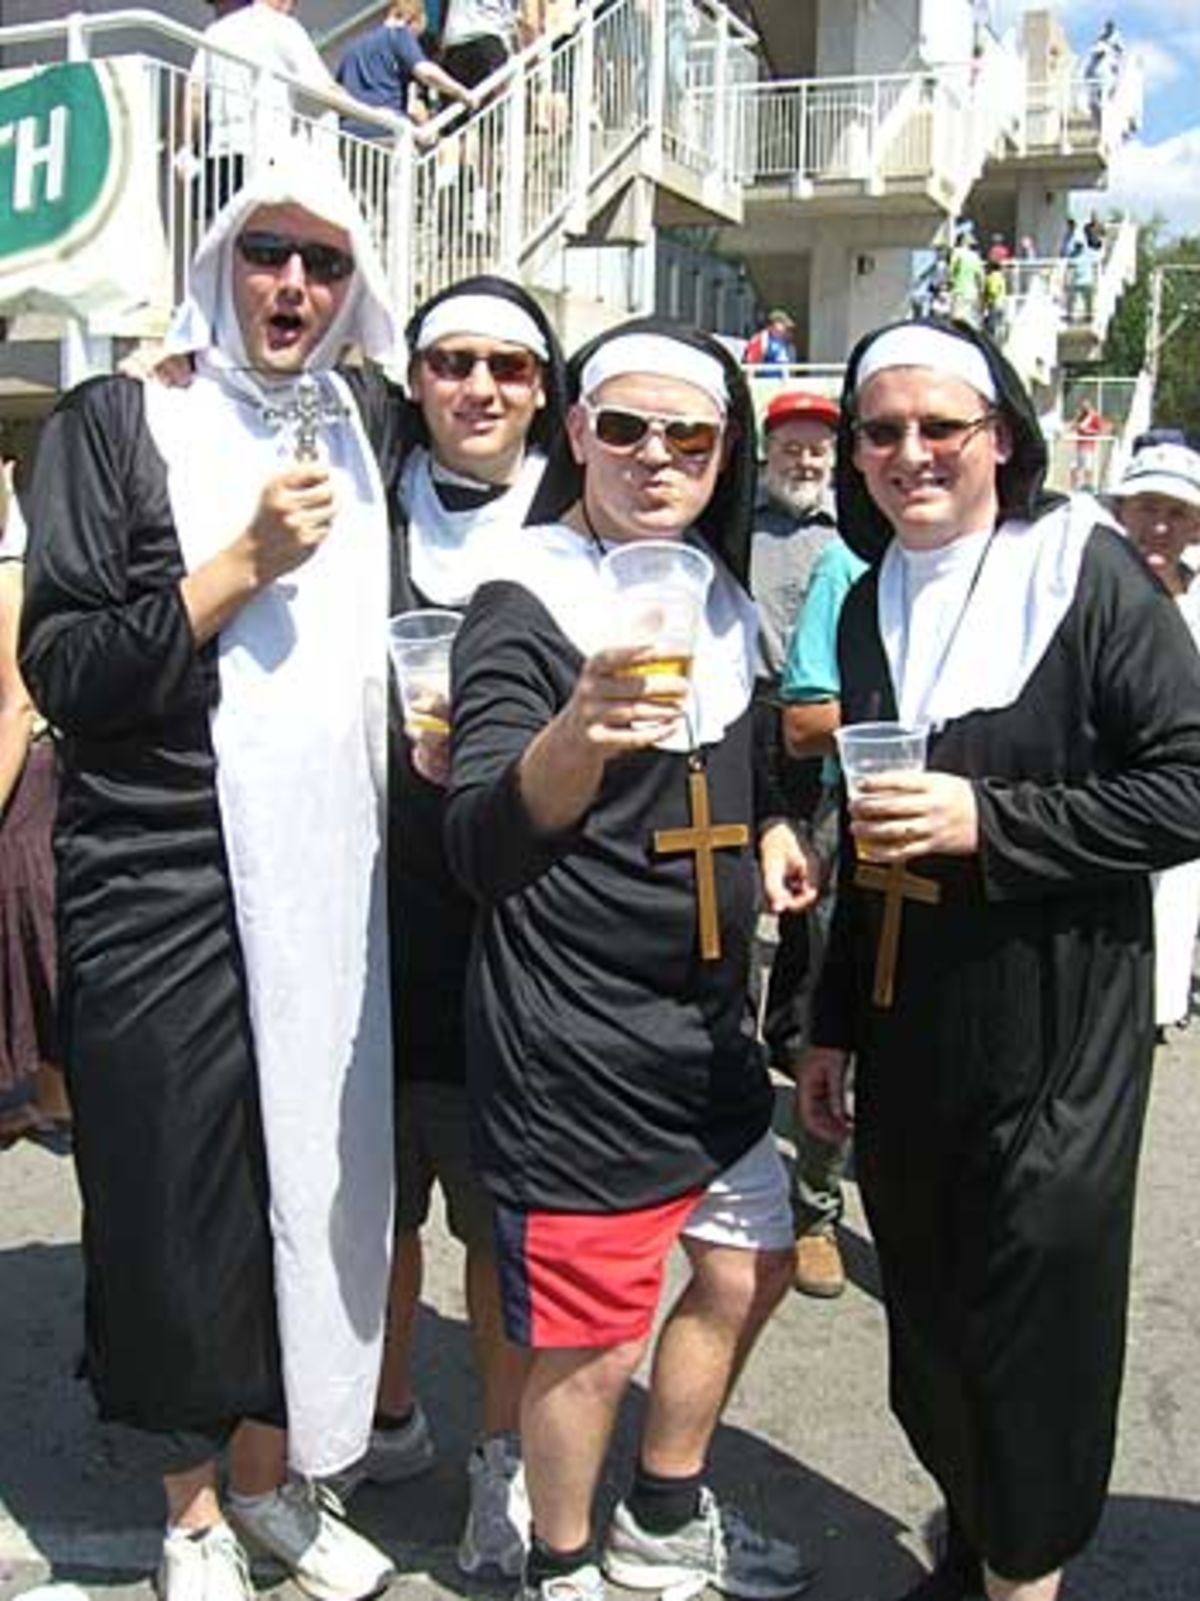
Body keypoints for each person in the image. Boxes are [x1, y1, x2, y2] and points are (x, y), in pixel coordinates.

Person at [20, 156, 401, 1601]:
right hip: (159, 863)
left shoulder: (366, 422)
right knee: (170, 1190)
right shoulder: (116, 422)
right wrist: (234, 565)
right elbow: (67, 664)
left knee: (308, 1176)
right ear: (216, 264)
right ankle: (190, 1516)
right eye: (266, 253)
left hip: (330, 866)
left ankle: (269, 1479)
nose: (293, 284)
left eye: (324, 261)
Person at [798, 319, 1200, 1601]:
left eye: (941, 427)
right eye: (882, 431)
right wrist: (831, 1021)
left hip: (1060, 1013)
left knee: (1035, 1319)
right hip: (911, 1013)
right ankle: (975, 1539)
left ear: (1002, 438)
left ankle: (1027, 1571)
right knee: (928, 1310)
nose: (910, 453)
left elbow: (1189, 783)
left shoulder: (1084, 569)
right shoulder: (867, 600)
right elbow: (868, 841)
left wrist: (995, 821)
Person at [445, 319, 818, 1601]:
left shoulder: (717, 595)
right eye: (624, 427)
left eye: (690, 435)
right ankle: (562, 1565)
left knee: (751, 1263)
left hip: (707, 1031)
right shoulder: (523, 599)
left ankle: (661, 1513)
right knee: (592, 1339)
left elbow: (750, 763)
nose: (656, 455)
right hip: (578, 1040)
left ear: (724, 453)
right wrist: (578, 730)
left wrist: (772, 828)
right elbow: (480, 841)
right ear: (577, 434)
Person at [345, 277, 568, 1583]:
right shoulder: (366, 502)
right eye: (450, 362)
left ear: (544, 389)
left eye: (507, 366)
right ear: (415, 379)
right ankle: (380, 1418)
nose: (478, 387)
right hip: (369, 919)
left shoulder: (577, 516)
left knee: (501, 1230)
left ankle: (501, 1453)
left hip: (513, 932)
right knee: (371, 1209)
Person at [745, 389, 845, 1297]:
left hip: (825, 731)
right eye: (793, 446)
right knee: (730, 896)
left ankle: (792, 1041)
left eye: (819, 448)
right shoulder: (736, 521)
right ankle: (730, 1066)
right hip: (748, 708)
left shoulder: (854, 537)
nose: (806, 461)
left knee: (812, 905)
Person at [775, 524, 869, 1301]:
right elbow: (803, 725)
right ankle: (816, 1208)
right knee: (838, 1015)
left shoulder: (997, 561)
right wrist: (907, 713)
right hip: (861, 815)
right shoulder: (846, 567)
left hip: (972, 814)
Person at [1110, 439, 1200, 1031]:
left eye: (1178, 512)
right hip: (1108, 793)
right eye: (1147, 507)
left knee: (1171, 916)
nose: (1160, 526)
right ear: (1121, 510)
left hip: (1183, 794)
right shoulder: (1091, 588)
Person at [0, 461, 67, 1151]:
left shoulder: (7, 577)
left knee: (32, 931)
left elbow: (16, 707)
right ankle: (42, 1099)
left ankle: (64, 1099)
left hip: (23, 781)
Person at [188, 0, 347, 215]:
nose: (293, 7)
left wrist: (186, 149)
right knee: (266, 227)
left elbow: (194, 96)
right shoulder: (285, 27)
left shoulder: (216, 31)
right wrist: (361, 109)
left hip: (220, 150)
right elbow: (323, 89)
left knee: (227, 228)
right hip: (267, 153)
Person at [335, 2, 475, 138]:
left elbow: (338, 91)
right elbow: (426, 72)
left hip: (350, 139)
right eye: (418, 32)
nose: (415, 41)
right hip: (387, 131)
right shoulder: (398, 34)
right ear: (413, 20)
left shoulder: (352, 49)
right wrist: (462, 93)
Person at [439, 0, 535, 90]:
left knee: (460, 98)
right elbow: (528, 22)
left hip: (454, 43)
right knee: (491, 97)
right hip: (488, 39)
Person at [744, 309, 797, 377]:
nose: (785, 328)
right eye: (783, 324)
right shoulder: (761, 339)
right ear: (774, 325)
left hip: (781, 380)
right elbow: (751, 365)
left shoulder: (781, 340)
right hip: (765, 380)